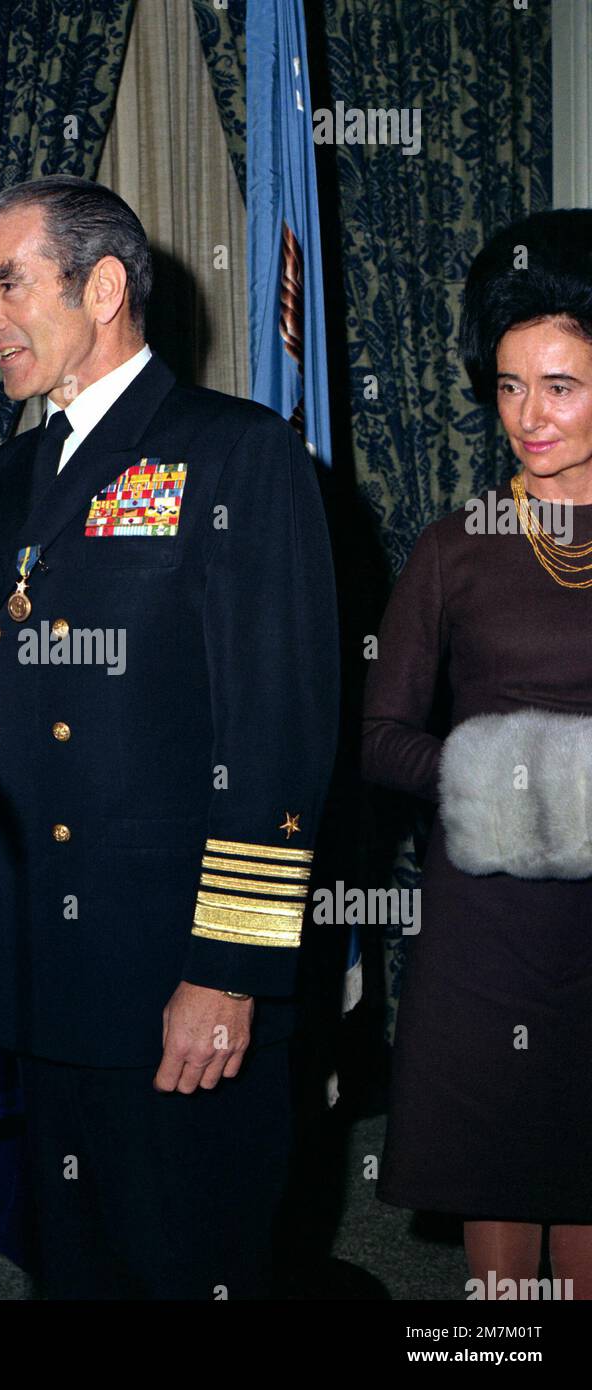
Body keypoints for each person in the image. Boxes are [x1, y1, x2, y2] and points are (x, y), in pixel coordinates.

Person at [0, 175, 339, 1298]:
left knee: (188, 1260)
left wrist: (223, 971)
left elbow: (277, 731)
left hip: (176, 965)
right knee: (72, 1262)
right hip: (42, 963)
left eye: (3, 285)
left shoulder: (234, 455)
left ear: (103, 285)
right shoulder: (2, 482)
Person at [363, 209, 592, 1299]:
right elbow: (378, 738)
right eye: (507, 387)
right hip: (486, 923)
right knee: (494, 1175)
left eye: (557, 385)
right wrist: (513, 777)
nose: (526, 417)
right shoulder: (452, 548)